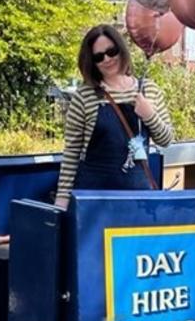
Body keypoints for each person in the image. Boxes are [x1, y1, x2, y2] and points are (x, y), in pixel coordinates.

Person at [54, 25, 173, 208]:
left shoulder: (149, 90)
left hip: (138, 200)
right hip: (94, 201)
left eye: (111, 51)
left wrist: (149, 115)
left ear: (121, 49)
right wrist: (62, 198)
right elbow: (72, 151)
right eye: (99, 56)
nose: (107, 59)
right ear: (91, 62)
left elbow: (166, 140)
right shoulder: (84, 95)